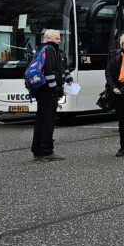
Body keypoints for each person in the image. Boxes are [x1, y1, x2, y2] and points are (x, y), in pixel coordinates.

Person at [31, 29, 70, 161]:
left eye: (59, 38)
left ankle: (37, 150)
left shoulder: (40, 49)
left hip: (41, 90)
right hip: (48, 91)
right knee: (48, 121)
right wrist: (55, 89)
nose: (59, 41)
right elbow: (50, 71)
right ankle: (46, 151)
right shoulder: (50, 50)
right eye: (57, 38)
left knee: (40, 120)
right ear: (48, 38)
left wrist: (68, 79)